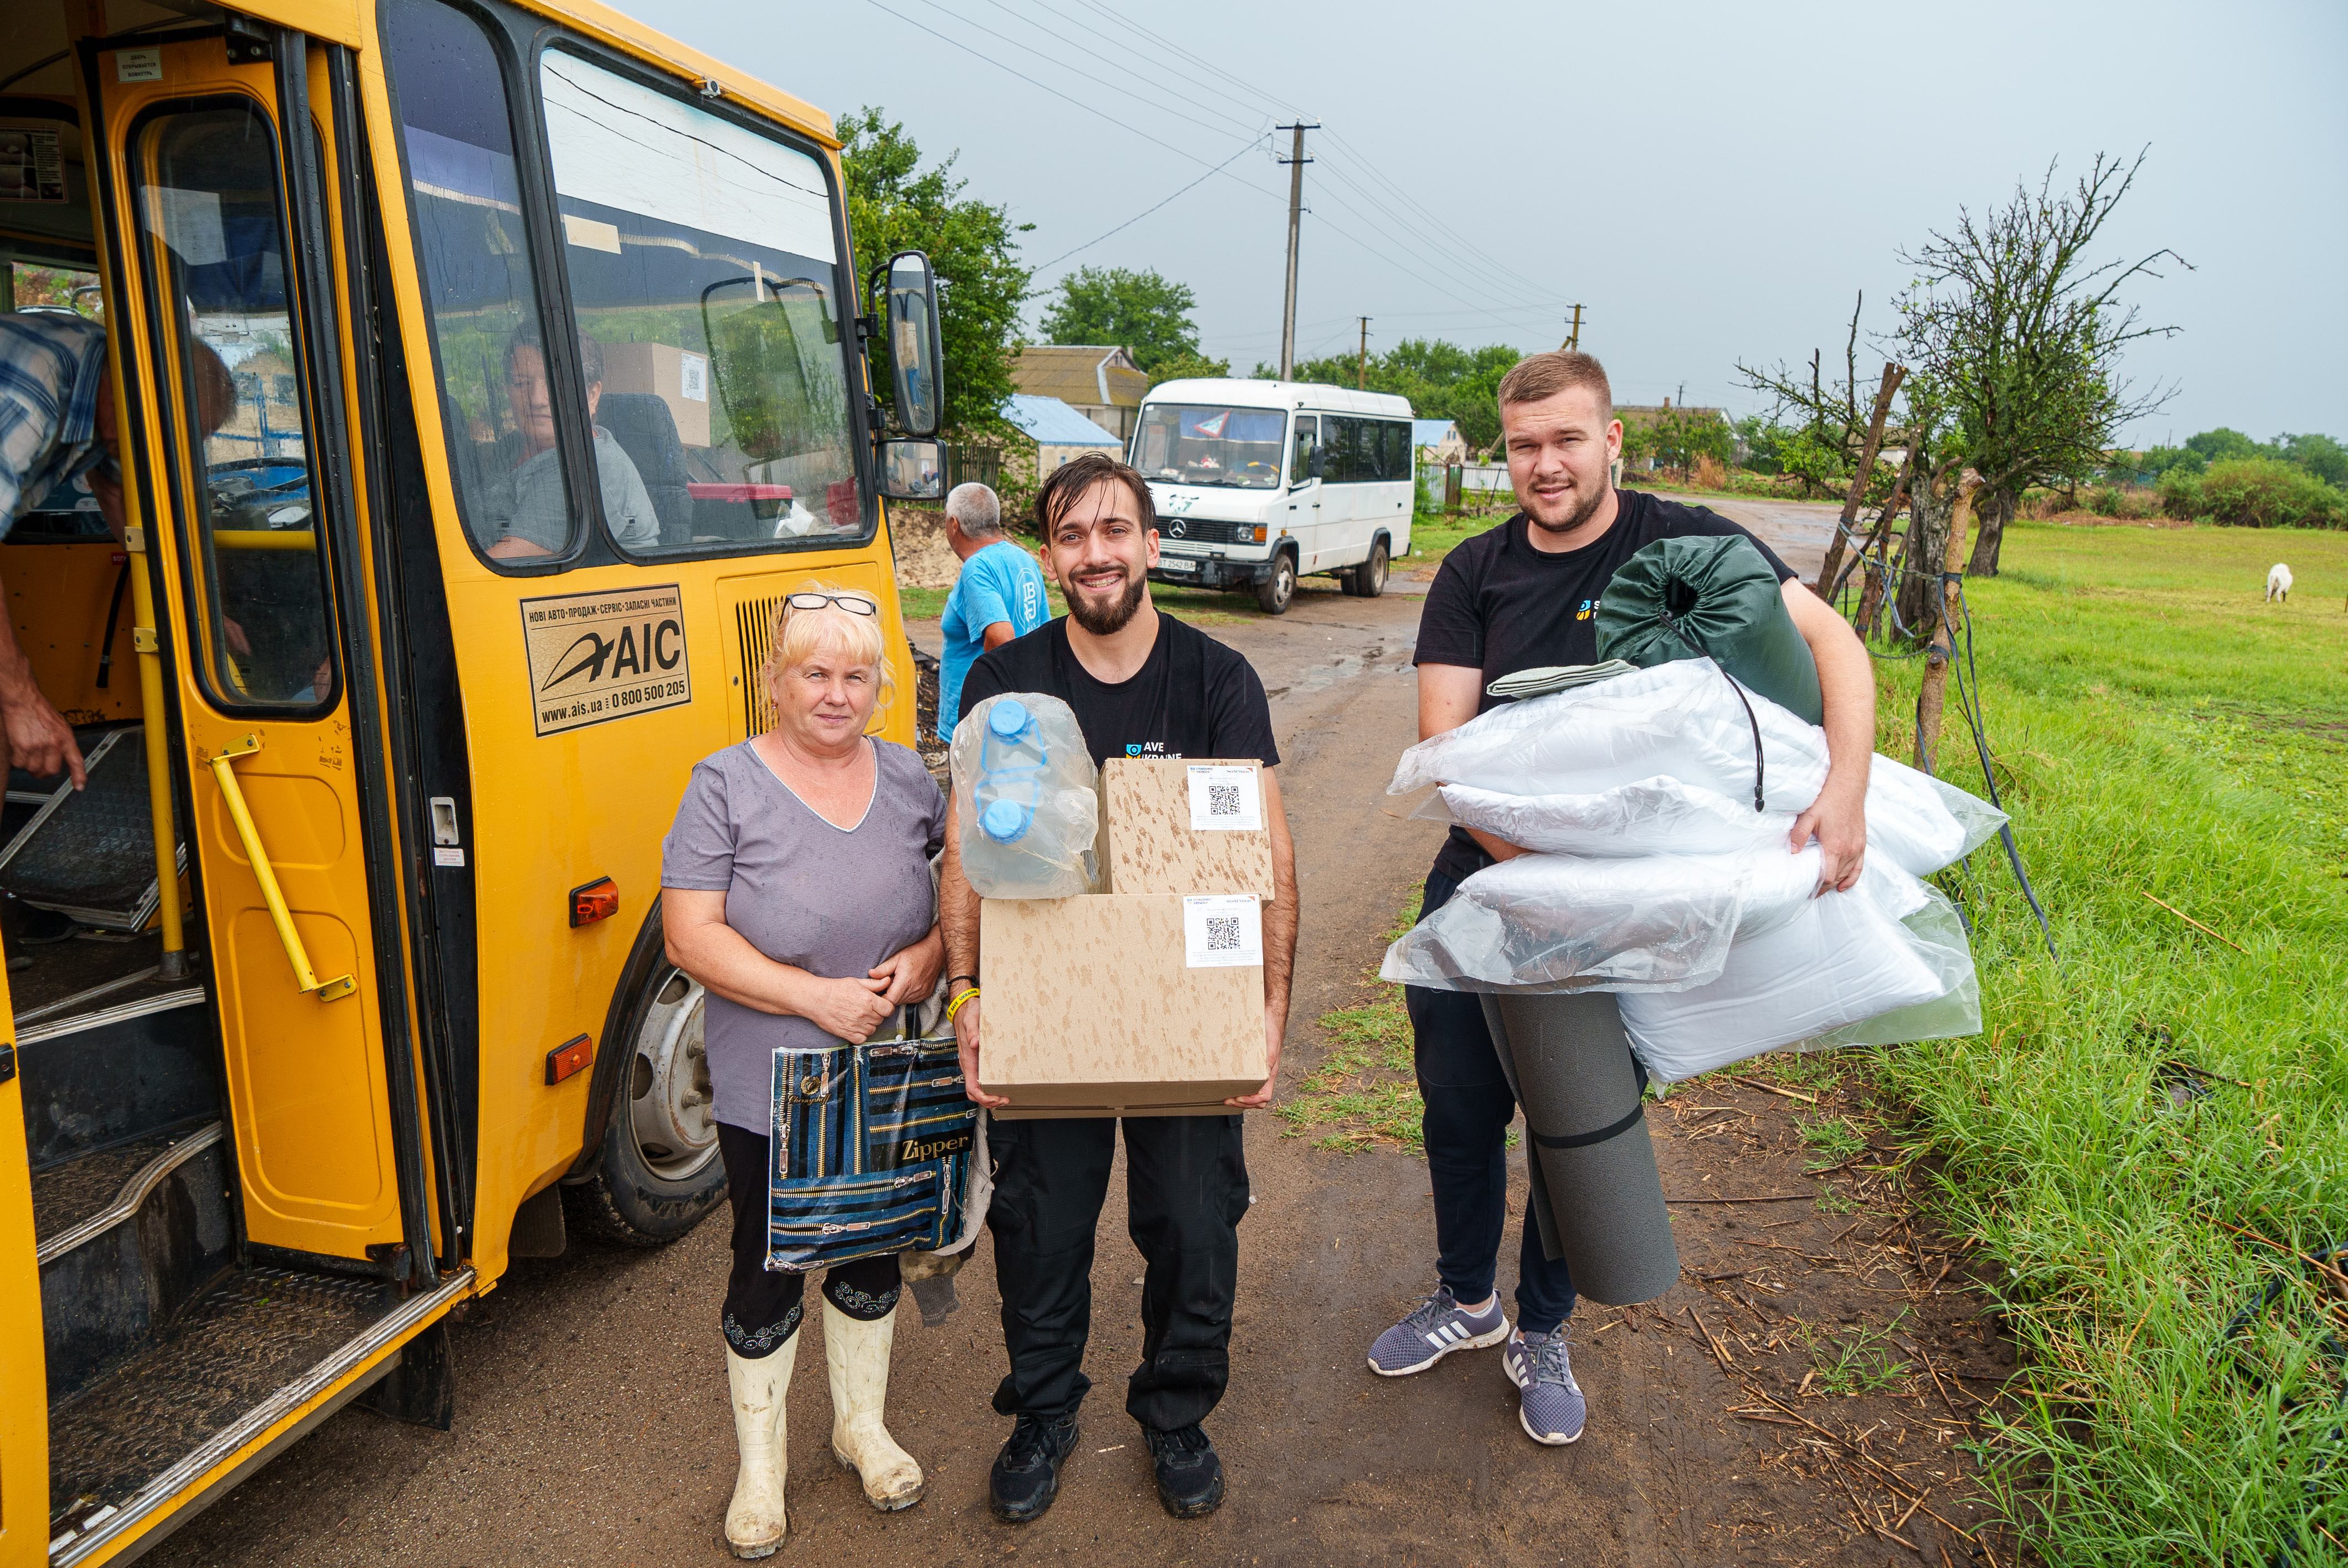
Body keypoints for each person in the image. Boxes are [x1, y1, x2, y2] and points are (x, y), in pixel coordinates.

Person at [1372, 350, 1875, 1446]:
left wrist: (1844, 789)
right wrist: (1544, 873)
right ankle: (1466, 1300)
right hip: (1490, 886)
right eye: (1521, 446)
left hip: (1635, 909)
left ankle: (1539, 1327)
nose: (1542, 466)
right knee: (1458, 1110)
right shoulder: (1473, 574)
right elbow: (1444, 756)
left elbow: (1831, 642)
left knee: (1578, 1119)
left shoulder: (1683, 541)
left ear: (1609, 442)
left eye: (1564, 440)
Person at [940, 451, 1298, 1525]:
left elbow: (1267, 856)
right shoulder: (1006, 687)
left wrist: (1268, 1013)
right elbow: (965, 852)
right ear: (1047, 558)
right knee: (1039, 1228)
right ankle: (1043, 1411)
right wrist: (965, 996)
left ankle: (1175, 1411)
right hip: (1045, 1013)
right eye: (1069, 535)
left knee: (1194, 1221)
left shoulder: (1216, 681)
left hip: (1181, 1016)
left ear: (1149, 544)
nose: (1092, 553)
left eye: (1112, 530)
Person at [661, 584, 947, 1556]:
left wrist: (932, 955)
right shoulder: (724, 783)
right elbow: (690, 935)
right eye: (814, 674)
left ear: (879, 687)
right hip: (770, 1083)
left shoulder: (911, 778)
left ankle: (859, 1426)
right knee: (771, 1262)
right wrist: (813, 997)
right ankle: (762, 1469)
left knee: (872, 1249)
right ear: (774, 684)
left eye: (855, 676)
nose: (835, 693)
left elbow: (959, 899)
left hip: (889, 1071)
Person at [0, 311, 230, 786]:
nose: (167, 451)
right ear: (141, 394)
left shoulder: (116, 390)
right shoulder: (34, 389)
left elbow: (120, 493)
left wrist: (195, 613)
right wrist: (21, 697)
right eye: (172, 434)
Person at [477, 327, 658, 558]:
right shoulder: (510, 449)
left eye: (555, 383)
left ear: (592, 395)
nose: (536, 399)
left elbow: (490, 567)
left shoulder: (590, 465)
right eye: (521, 384)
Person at [934, 480, 1048, 741]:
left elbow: (1001, 636)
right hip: (1019, 718)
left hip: (980, 727)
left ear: (954, 524)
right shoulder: (1024, 560)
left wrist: (997, 710)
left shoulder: (978, 568)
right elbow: (1042, 632)